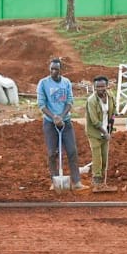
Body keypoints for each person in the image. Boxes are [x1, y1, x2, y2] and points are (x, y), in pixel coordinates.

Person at [37, 57, 81, 190]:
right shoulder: (43, 83)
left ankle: (76, 181)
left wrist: (61, 116)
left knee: (72, 151)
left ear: (61, 70)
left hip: (65, 122)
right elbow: (41, 104)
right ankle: (54, 180)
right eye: (52, 69)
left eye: (56, 69)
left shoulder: (66, 83)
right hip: (50, 123)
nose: (53, 71)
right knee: (52, 153)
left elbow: (69, 101)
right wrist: (54, 117)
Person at [85, 75, 114, 187]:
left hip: (106, 130)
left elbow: (113, 111)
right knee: (97, 156)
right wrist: (105, 132)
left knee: (104, 156)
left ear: (107, 86)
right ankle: (96, 178)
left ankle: (103, 178)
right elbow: (94, 121)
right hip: (95, 132)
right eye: (97, 87)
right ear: (94, 87)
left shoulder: (110, 97)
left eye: (103, 86)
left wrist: (111, 125)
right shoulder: (91, 101)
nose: (100, 89)